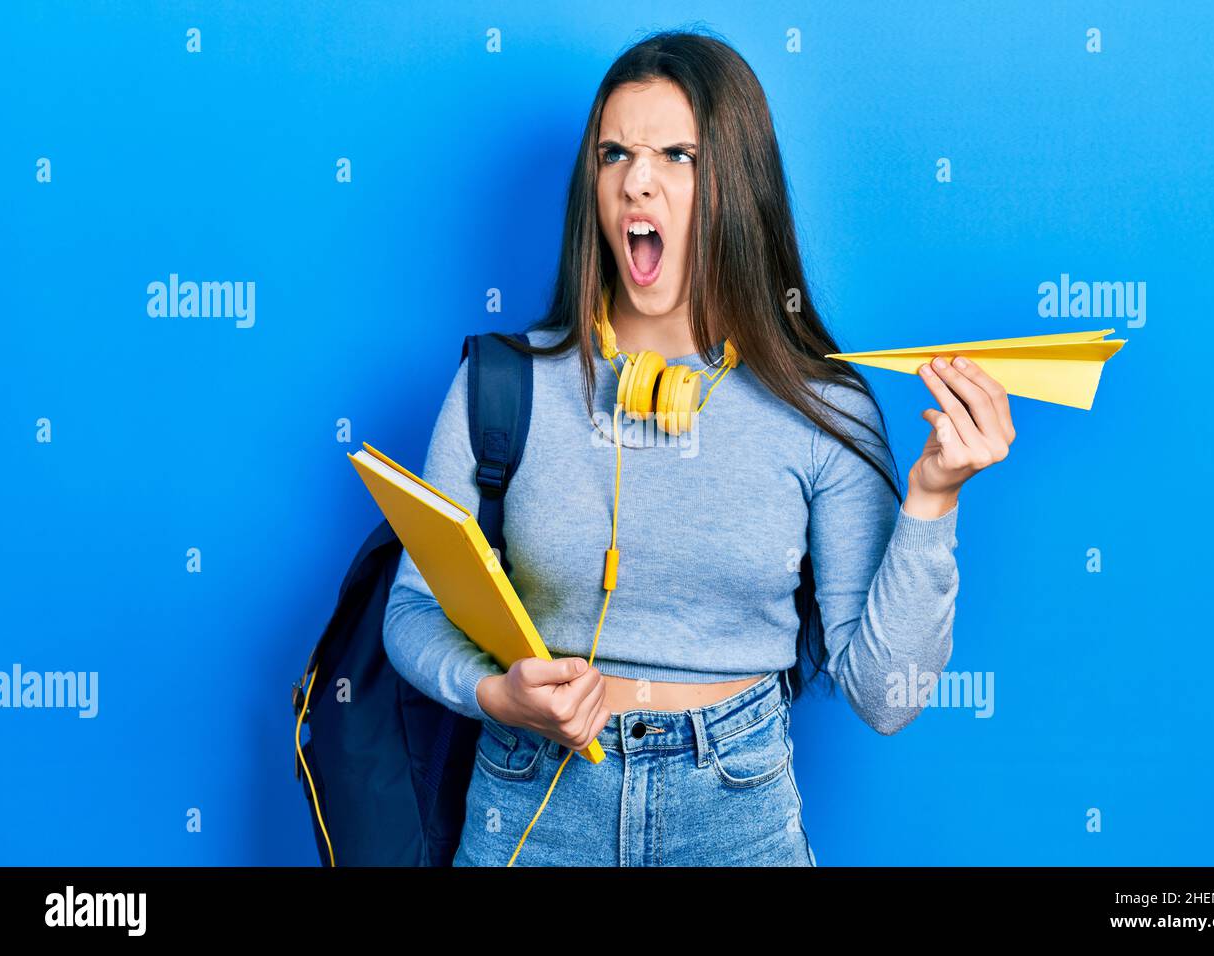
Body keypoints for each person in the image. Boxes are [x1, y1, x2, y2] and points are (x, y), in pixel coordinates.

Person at [383, 29, 1015, 867]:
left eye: (676, 154)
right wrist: (495, 693)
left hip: (735, 810)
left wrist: (935, 498)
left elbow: (882, 695)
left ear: (735, 184)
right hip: (531, 800)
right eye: (615, 153)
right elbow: (412, 611)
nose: (636, 180)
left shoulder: (825, 408)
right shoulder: (504, 386)